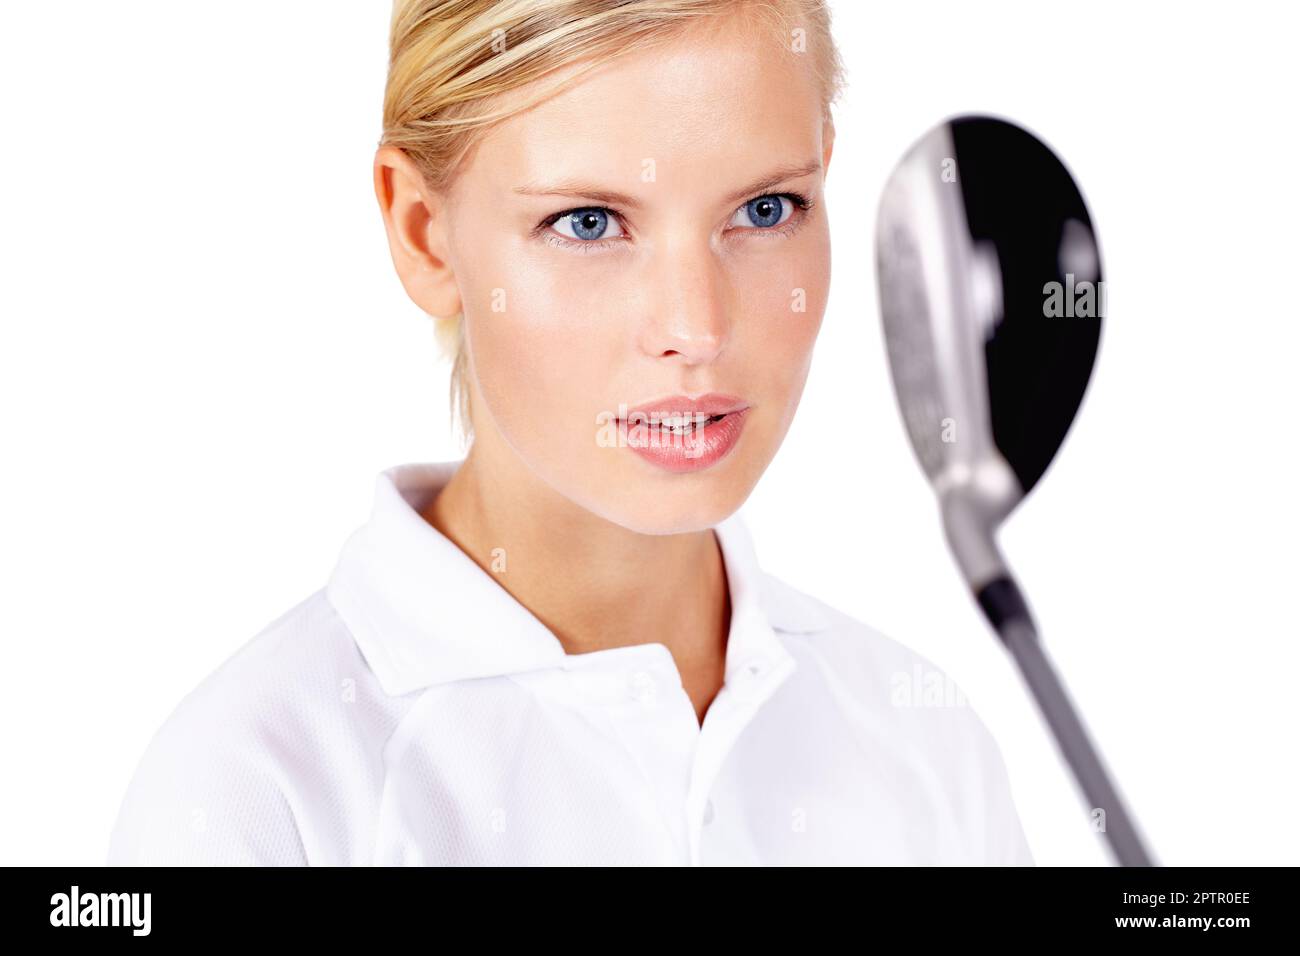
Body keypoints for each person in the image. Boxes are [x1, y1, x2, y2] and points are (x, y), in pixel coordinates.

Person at [107, 0, 1034, 866]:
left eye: (764, 210)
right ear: (424, 231)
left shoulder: (926, 748)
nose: (697, 327)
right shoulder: (255, 792)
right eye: (588, 224)